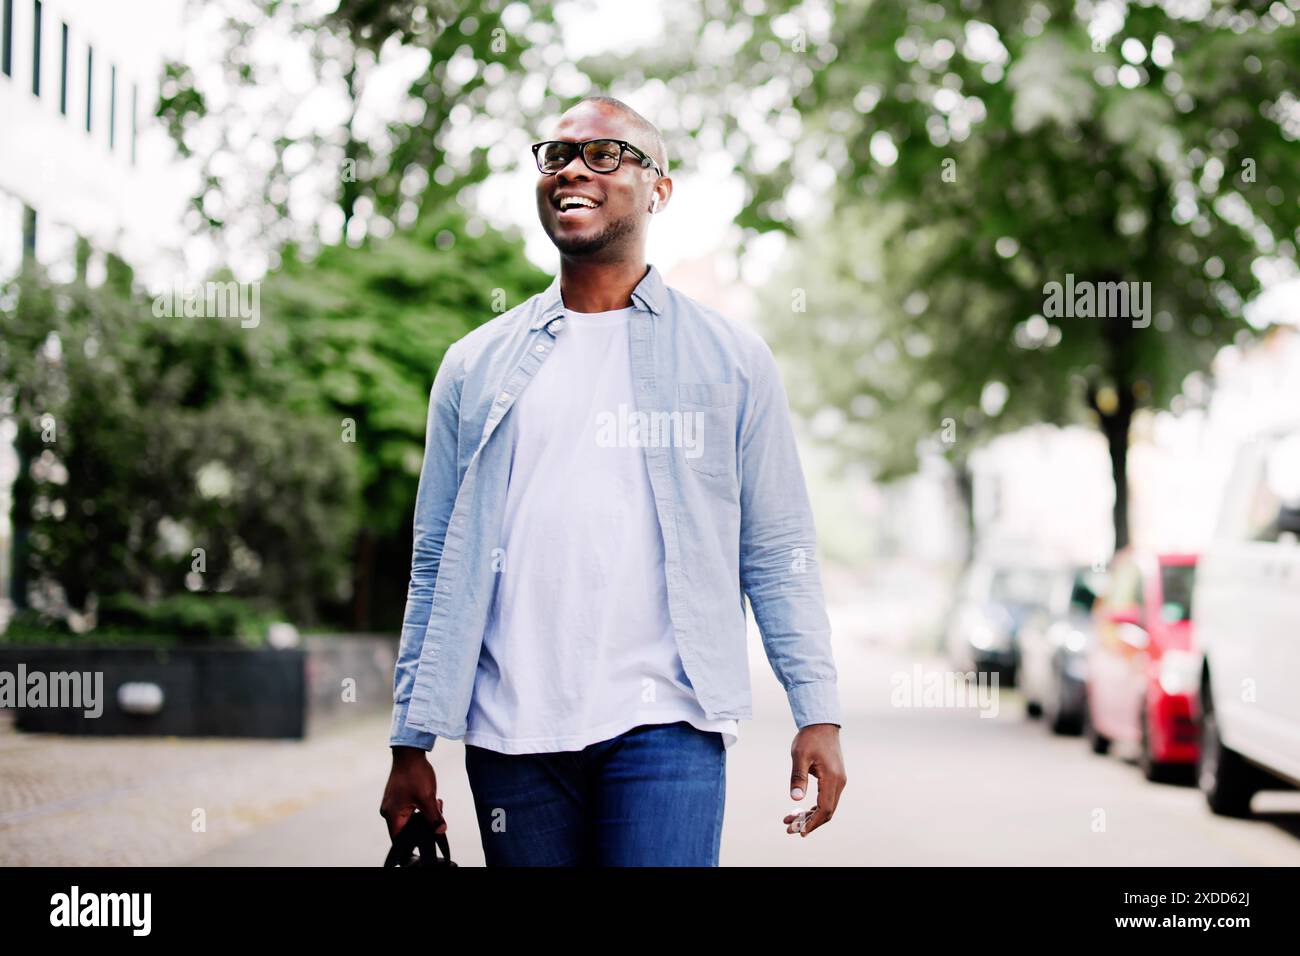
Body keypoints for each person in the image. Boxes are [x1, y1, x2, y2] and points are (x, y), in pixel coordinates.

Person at [379, 94, 846, 866]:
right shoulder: (473, 364)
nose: (573, 170)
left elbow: (776, 549)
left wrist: (817, 712)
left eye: (604, 155)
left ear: (658, 188)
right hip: (510, 732)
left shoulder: (731, 359)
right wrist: (410, 737)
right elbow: (435, 562)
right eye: (557, 154)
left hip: (668, 727)